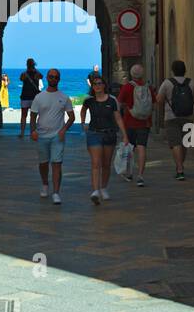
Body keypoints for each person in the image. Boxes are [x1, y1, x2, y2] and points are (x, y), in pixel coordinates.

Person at [30, 68, 74, 204]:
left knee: (57, 164)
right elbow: (33, 116)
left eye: (55, 77)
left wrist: (64, 130)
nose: (53, 79)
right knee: (43, 163)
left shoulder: (64, 98)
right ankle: (44, 184)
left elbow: (71, 117)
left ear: (59, 79)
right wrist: (33, 131)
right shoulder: (39, 97)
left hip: (57, 136)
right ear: (47, 78)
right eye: (51, 76)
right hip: (42, 135)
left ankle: (56, 192)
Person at [81, 74, 127, 205]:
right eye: (95, 84)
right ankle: (95, 191)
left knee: (106, 164)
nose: (97, 86)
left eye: (100, 83)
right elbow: (83, 111)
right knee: (96, 163)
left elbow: (118, 118)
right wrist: (83, 123)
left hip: (109, 134)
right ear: (92, 86)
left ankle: (103, 187)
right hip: (94, 133)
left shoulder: (112, 101)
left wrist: (125, 135)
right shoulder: (89, 100)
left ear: (104, 85)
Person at [157, 59, 194, 181]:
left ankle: (179, 169)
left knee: (175, 143)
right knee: (185, 144)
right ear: (184, 70)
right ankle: (181, 166)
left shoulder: (167, 83)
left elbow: (159, 100)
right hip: (189, 117)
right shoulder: (191, 83)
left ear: (173, 70)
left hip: (171, 118)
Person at [116, 63, 156, 187]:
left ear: (131, 74)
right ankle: (140, 176)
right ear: (142, 74)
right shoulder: (148, 87)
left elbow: (119, 103)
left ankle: (129, 173)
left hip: (129, 121)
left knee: (130, 148)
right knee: (142, 147)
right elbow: (154, 103)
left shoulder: (127, 87)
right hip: (145, 122)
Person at [18, 59, 42, 139]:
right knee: (33, 116)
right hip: (34, 97)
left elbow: (21, 79)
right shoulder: (37, 74)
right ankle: (33, 133)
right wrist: (35, 70)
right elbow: (41, 76)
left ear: (26, 65)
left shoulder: (24, 74)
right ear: (34, 64)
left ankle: (22, 133)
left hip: (25, 96)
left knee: (24, 115)